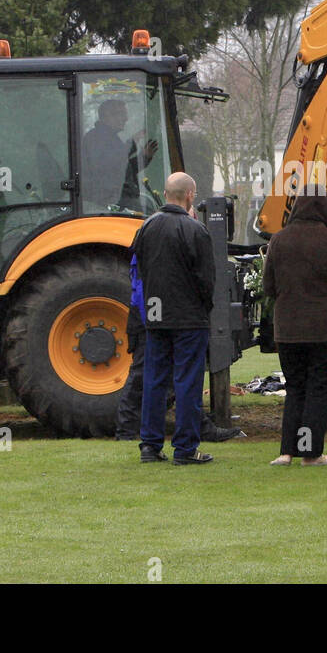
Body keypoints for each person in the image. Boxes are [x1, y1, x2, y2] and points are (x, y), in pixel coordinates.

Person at [262, 186, 327, 466]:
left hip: (289, 329)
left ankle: (287, 451)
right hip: (326, 328)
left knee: (296, 387)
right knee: (320, 388)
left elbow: (268, 286)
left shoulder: (278, 240)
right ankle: (311, 452)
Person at [115, 249, 242, 443]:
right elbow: (141, 286)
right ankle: (126, 431)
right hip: (150, 317)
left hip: (152, 315)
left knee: (169, 376)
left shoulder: (151, 240)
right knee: (143, 375)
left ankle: (199, 426)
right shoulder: (153, 245)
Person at [132, 172, 214, 465]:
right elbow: (206, 279)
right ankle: (185, 448)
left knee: (154, 380)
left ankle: (150, 446)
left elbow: (139, 269)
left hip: (156, 316)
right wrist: (205, 307)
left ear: (165, 194)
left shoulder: (146, 227)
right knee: (187, 381)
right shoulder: (194, 230)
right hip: (189, 317)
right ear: (190, 195)